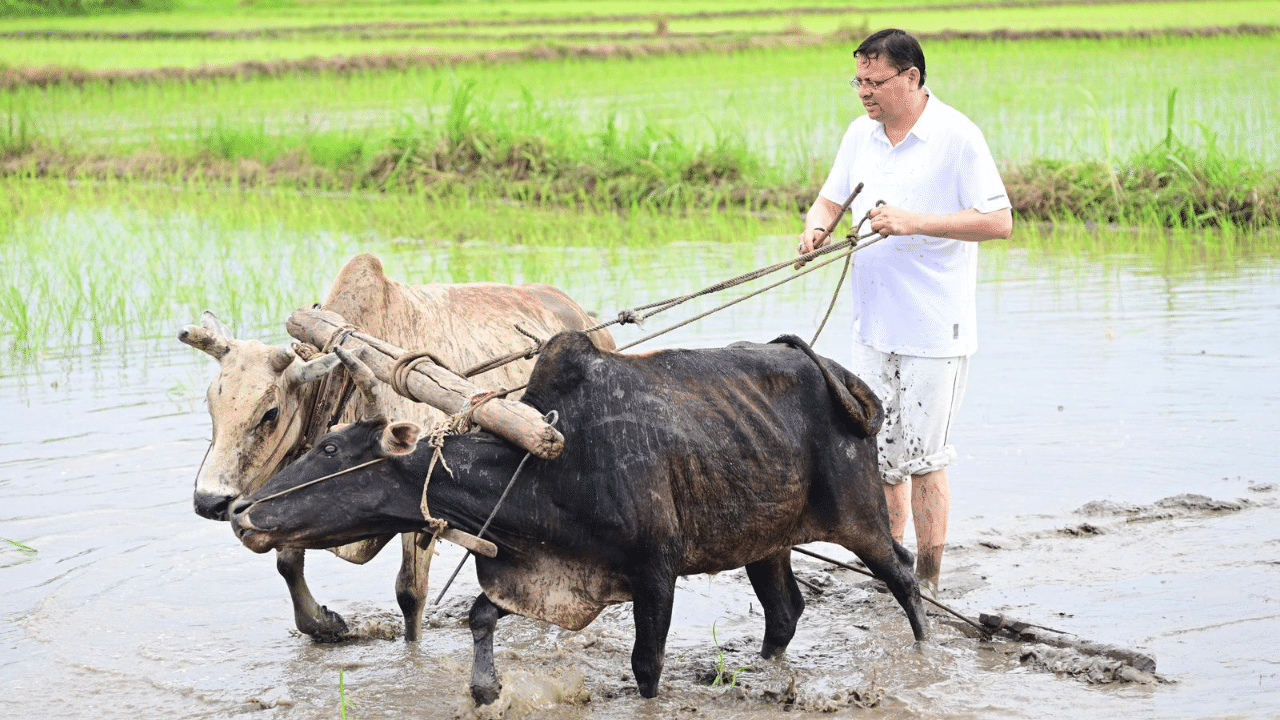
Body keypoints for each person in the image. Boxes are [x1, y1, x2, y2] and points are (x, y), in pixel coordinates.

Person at [797, 28, 1012, 599]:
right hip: (873, 326)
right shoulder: (859, 136)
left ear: (912, 78)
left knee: (924, 459)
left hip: (934, 329)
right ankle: (889, 570)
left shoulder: (957, 137)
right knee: (879, 456)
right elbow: (830, 197)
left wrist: (914, 220)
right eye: (858, 81)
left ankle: (931, 582)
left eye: (875, 81)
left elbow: (998, 222)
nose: (864, 92)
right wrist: (816, 226)